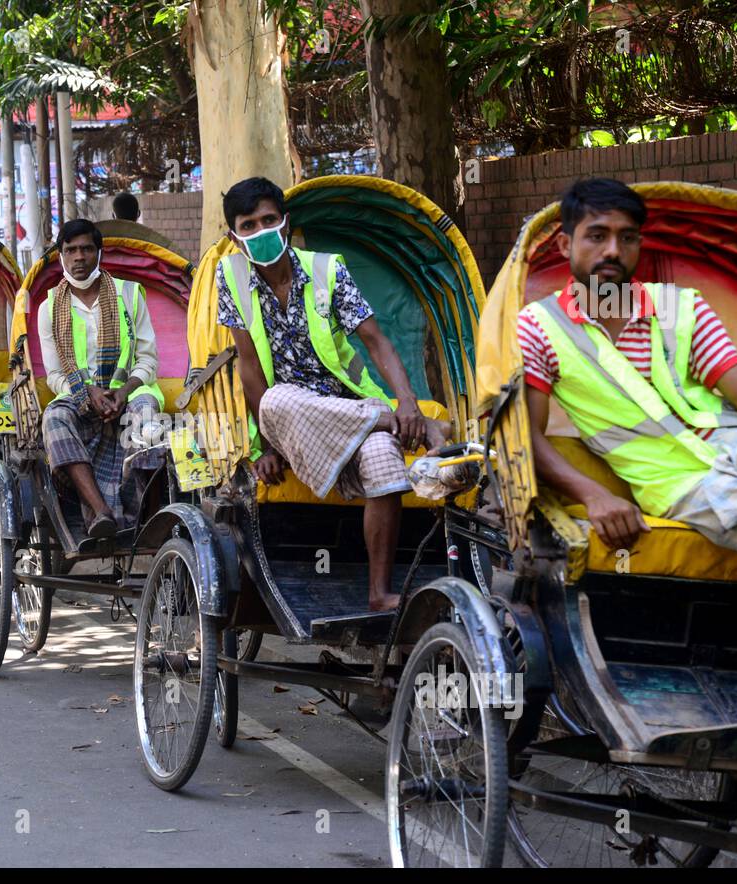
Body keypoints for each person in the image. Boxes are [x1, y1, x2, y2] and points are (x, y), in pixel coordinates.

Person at [517, 177, 737, 678]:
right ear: (565, 244)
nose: (613, 250)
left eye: (628, 237)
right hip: (676, 482)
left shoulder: (681, 305)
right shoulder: (539, 326)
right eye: (597, 235)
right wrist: (594, 494)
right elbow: (525, 437)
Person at [215, 177, 446, 612]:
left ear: (286, 223)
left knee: (382, 455)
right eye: (249, 225)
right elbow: (248, 365)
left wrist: (409, 401)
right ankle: (392, 421)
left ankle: (379, 593)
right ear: (235, 236)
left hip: (346, 408)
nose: (262, 232)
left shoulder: (327, 269)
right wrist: (262, 446)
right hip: (285, 419)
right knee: (278, 399)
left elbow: (375, 340)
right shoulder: (231, 276)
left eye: (269, 220)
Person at [37, 218, 162, 539]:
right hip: (79, 396)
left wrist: (123, 391)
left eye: (86, 249)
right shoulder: (48, 307)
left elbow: (148, 360)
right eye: (71, 250)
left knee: (146, 413)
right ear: (61, 256)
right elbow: (54, 374)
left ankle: (143, 517)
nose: (79, 257)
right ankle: (100, 511)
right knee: (54, 417)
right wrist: (86, 392)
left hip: (129, 393)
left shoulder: (130, 295)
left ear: (99, 253)